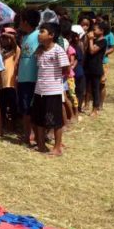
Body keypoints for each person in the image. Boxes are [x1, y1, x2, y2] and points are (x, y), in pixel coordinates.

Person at [32, 22, 70, 155]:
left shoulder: (58, 50)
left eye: (42, 31)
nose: (39, 34)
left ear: (51, 35)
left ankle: (57, 147)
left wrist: (58, 84)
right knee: (39, 119)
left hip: (53, 91)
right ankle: (41, 145)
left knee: (55, 120)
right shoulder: (40, 50)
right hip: (39, 90)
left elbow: (66, 68)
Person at [16, 9, 41, 146]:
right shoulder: (24, 37)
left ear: (25, 21)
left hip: (33, 79)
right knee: (24, 108)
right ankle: (27, 134)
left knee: (31, 110)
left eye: (20, 20)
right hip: (23, 79)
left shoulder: (38, 35)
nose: (19, 23)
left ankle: (33, 135)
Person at [0, 27, 20, 132]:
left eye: (8, 38)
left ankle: (13, 126)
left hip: (11, 83)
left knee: (13, 106)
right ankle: (3, 125)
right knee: (2, 106)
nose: (5, 40)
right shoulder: (1, 52)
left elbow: (15, 46)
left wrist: (12, 38)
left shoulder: (16, 50)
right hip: (2, 83)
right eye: (3, 38)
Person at [85, 21, 108, 117]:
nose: (93, 31)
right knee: (87, 88)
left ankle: (95, 109)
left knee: (95, 89)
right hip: (88, 67)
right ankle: (86, 105)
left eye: (95, 29)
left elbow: (92, 51)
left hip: (96, 68)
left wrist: (90, 39)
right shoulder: (94, 40)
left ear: (101, 31)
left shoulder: (103, 41)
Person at [100, 17, 114, 109]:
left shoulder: (110, 35)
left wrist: (103, 53)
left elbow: (112, 48)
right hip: (94, 62)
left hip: (103, 62)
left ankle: (101, 104)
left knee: (102, 83)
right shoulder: (95, 33)